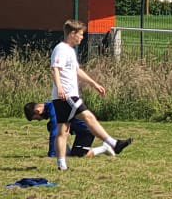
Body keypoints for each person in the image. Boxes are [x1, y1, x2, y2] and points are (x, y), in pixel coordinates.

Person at [48, 20, 131, 172]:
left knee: (63, 130)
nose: (82, 38)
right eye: (80, 35)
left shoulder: (70, 51)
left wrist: (94, 84)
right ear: (72, 34)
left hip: (64, 96)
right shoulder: (61, 49)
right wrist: (60, 88)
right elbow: (54, 69)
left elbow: (77, 71)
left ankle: (61, 164)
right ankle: (113, 143)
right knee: (88, 117)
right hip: (66, 95)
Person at [23, 100, 126, 158]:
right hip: (76, 127)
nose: (40, 120)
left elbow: (55, 131)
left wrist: (52, 153)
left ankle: (104, 148)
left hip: (86, 131)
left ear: (37, 111)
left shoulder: (52, 109)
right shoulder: (51, 106)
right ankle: (64, 151)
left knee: (79, 155)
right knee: (50, 125)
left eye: (37, 119)